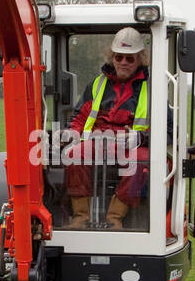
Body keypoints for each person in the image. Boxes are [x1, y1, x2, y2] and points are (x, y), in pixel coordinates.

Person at [64, 27, 151, 230]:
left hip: (131, 145)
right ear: (112, 57)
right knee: (75, 154)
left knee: (140, 162)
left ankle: (114, 219)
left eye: (130, 59)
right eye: (119, 57)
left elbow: (167, 129)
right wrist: (73, 133)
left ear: (140, 59)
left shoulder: (152, 89)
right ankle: (81, 218)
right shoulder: (97, 84)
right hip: (98, 141)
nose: (123, 62)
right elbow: (80, 115)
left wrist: (140, 138)